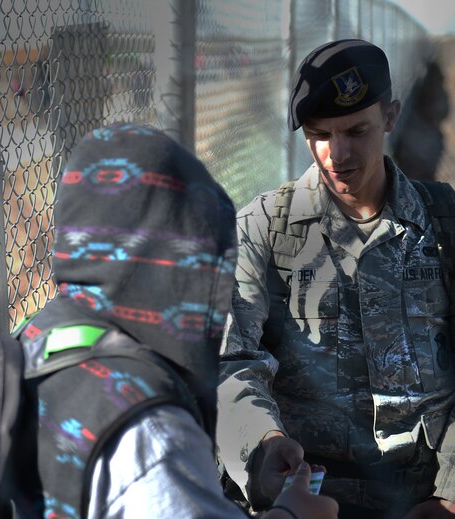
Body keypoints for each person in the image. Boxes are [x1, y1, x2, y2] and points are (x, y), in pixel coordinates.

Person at [217, 39, 455, 519]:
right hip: (309, 497)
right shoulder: (263, 229)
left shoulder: (447, 223)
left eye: (355, 131)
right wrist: (261, 444)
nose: (336, 154)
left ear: (390, 117)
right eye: (319, 134)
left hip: (431, 496)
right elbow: (231, 362)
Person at [19, 123, 339, 518]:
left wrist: (263, 449)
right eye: (202, 268)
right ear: (170, 268)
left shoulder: (35, 339)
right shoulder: (151, 432)